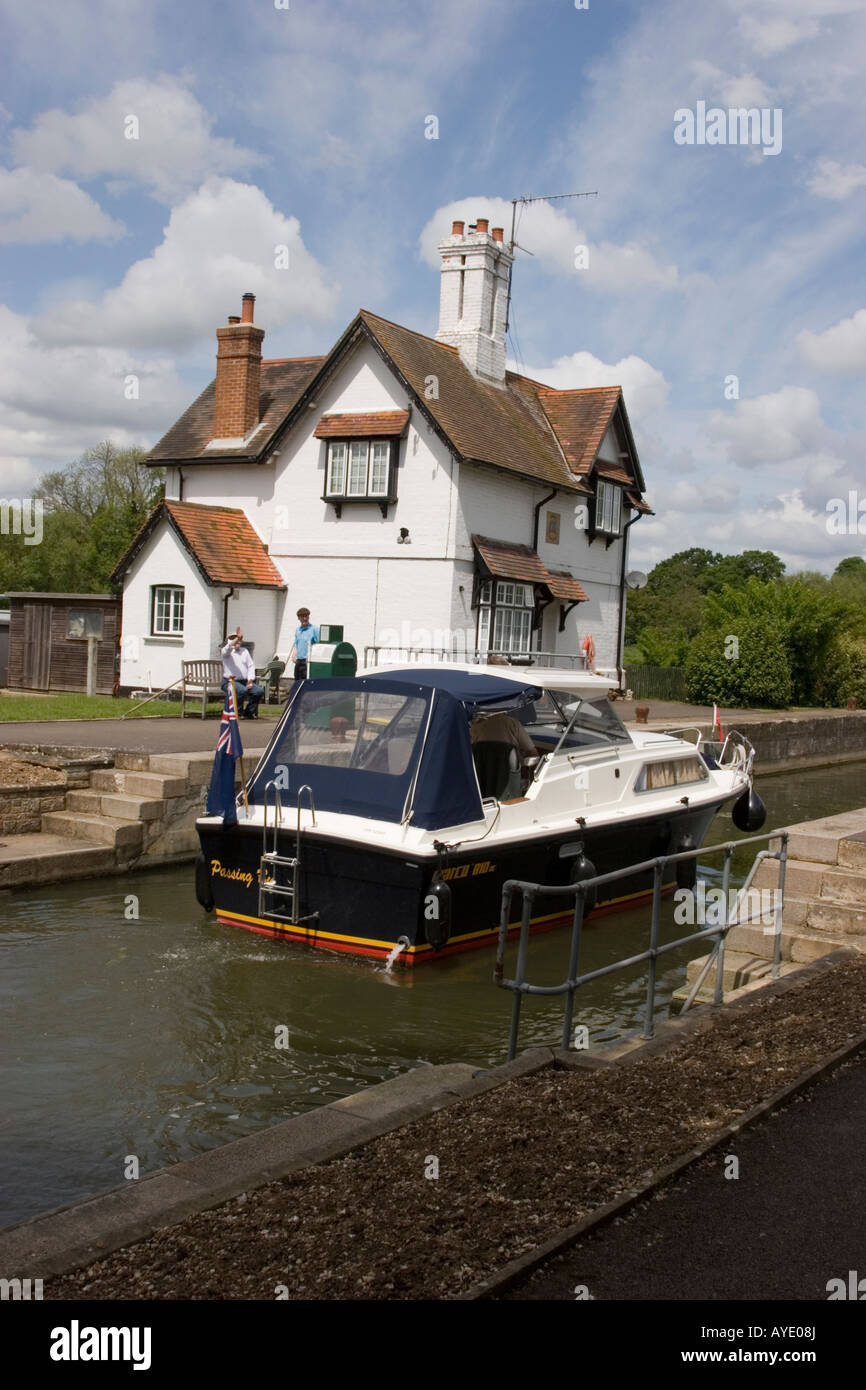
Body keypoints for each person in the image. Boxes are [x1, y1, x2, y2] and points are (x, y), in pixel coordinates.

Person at [220, 627, 264, 719]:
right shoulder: (226, 651)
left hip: (244, 681)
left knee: (259, 691)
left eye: (239, 640)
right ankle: (237, 713)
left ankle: (248, 712)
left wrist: (250, 680)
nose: (238, 641)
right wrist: (237, 638)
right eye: (234, 639)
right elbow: (227, 649)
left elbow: (251, 666)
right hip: (229, 682)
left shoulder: (245, 651)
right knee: (242, 690)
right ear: (229, 641)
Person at [470, 710, 537, 759]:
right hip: (511, 776)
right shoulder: (513, 724)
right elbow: (533, 753)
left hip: (482, 775)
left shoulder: (475, 727)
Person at [289, 607, 320, 681]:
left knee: (306, 681)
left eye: (306, 616)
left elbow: (319, 645)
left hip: (308, 661)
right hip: (299, 660)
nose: (305, 619)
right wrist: (294, 654)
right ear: (299, 618)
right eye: (302, 617)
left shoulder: (314, 629)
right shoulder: (298, 630)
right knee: (297, 680)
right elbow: (297, 644)